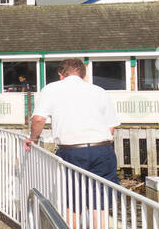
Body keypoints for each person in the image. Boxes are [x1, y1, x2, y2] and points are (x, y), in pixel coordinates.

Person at [25, 57, 119, 185]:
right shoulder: (99, 91)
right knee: (102, 197)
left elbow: (38, 119)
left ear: (60, 74)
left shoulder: (51, 89)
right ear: (84, 74)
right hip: (102, 149)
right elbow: (110, 128)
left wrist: (33, 139)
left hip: (72, 150)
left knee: (72, 197)